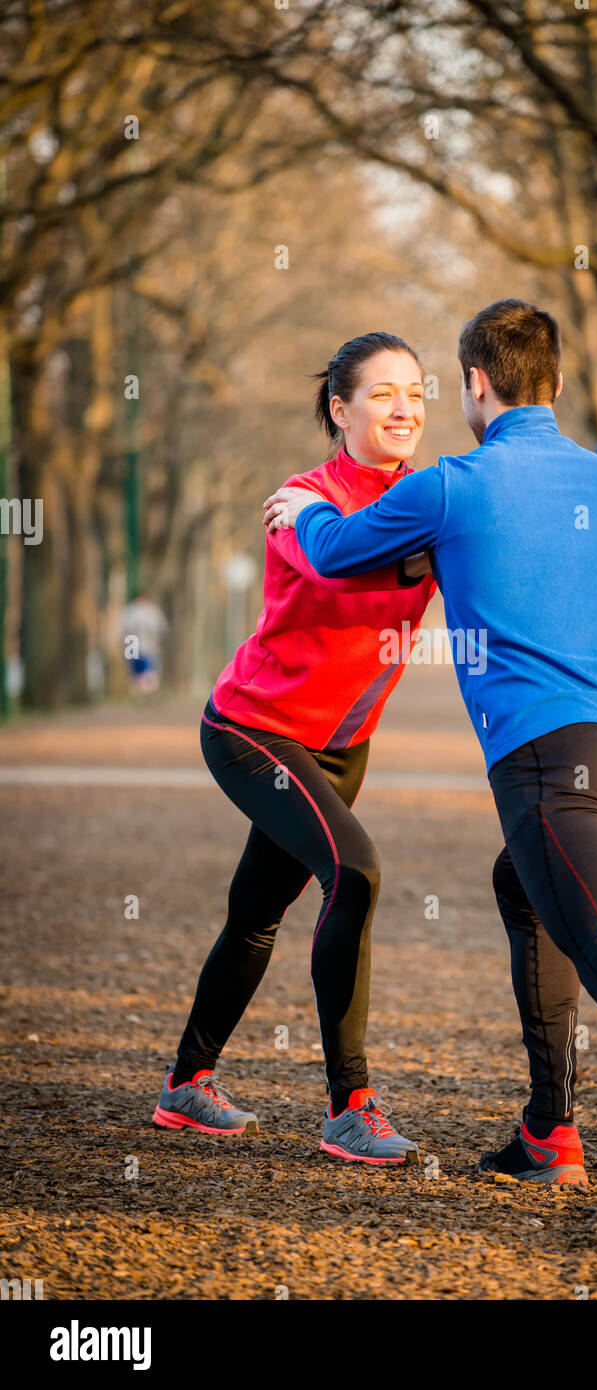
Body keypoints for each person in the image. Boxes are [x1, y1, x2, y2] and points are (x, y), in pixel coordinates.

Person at [264, 299, 597, 1229]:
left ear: (474, 385)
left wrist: (304, 509)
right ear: (558, 384)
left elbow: (331, 555)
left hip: (552, 769)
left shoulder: (452, 485)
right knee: (526, 891)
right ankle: (547, 1133)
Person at [152, 333, 436, 1164]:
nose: (404, 408)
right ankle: (350, 1105)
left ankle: (185, 1085)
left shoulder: (428, 495)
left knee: (256, 913)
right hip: (254, 727)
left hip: (341, 746)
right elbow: (331, 564)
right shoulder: (303, 499)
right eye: (382, 393)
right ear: (340, 410)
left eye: (416, 392)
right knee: (356, 872)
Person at [120, 592, 168, 697]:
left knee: (142, 674)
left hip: (139, 647)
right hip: (143, 648)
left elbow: (123, 631)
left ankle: (143, 693)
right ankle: (143, 693)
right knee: (144, 674)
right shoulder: (150, 611)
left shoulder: (132, 612)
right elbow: (161, 629)